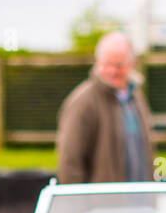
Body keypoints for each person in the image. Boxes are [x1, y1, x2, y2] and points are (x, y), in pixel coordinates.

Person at [56, 32, 154, 184]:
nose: (113, 71)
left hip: (139, 200)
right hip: (103, 204)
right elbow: (70, 162)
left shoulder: (136, 97)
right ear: (98, 62)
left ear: (131, 64)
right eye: (107, 64)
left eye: (119, 65)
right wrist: (77, 204)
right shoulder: (83, 102)